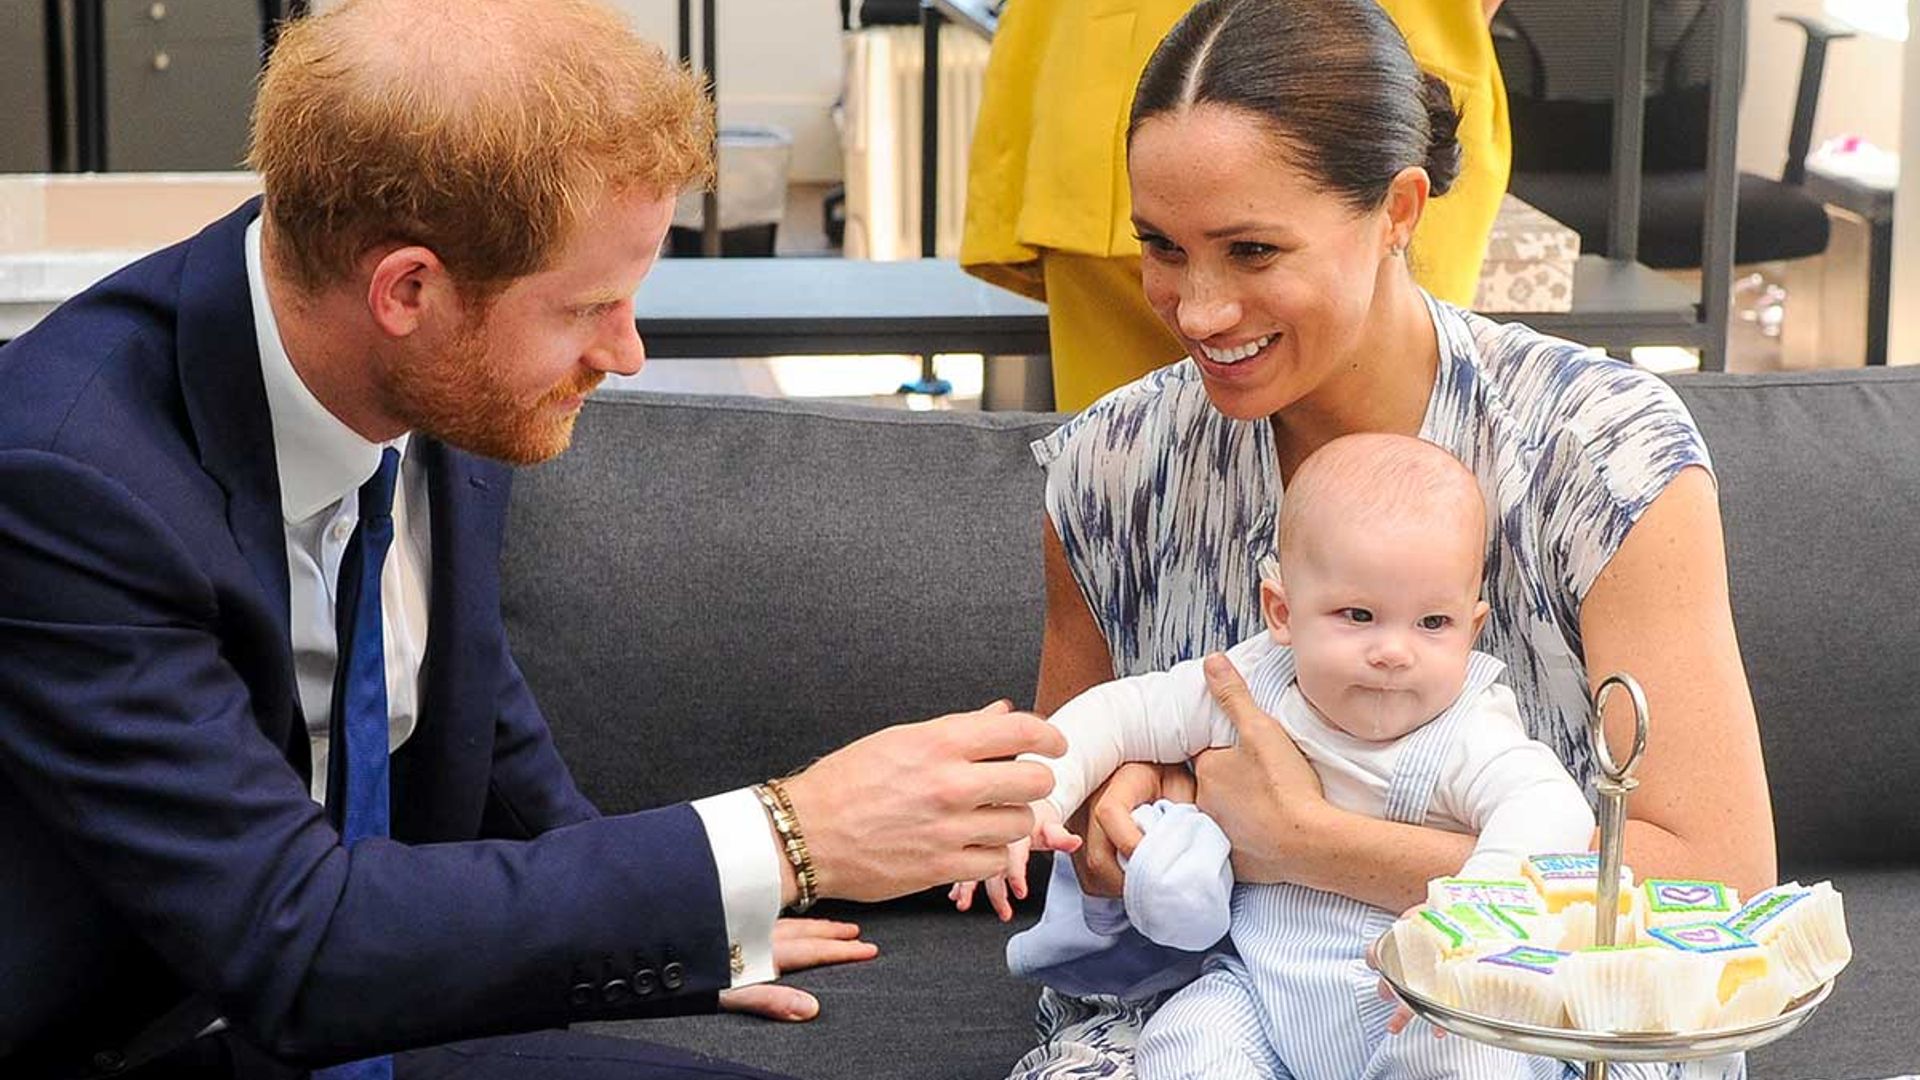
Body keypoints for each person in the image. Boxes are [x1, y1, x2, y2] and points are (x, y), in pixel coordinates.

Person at [0, 2, 1068, 1077]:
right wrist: (782, 838)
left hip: (360, 1007)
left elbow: (484, 737)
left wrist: (693, 919)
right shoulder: (70, 481)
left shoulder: (433, 389)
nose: (629, 352)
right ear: (407, 288)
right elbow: (294, 940)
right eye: (588, 307)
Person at [1008, 0, 1777, 1078]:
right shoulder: (1111, 469)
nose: (1198, 308)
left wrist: (1309, 843)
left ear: (1400, 209)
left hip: (1536, 1024)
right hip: (1212, 1015)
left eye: (1253, 249)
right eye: (1163, 247)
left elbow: (1719, 888)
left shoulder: (1599, 451)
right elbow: (1064, 798)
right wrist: (1126, 815)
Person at [957, 434, 1595, 1078]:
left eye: (1433, 623)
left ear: (1473, 626)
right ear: (1282, 612)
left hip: (1418, 1001)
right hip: (1261, 994)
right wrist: (1038, 796)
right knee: (1186, 1040)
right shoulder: (1253, 683)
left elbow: (1550, 808)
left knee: (1475, 1051)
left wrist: (1471, 925)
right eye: (1359, 614)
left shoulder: (1469, 728)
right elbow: (1119, 715)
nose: (1396, 651)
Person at [960, 0, 1514, 411]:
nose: (1205, 312)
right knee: (1133, 478)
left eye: (1254, 250)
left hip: (1353, 116)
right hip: (1126, 99)